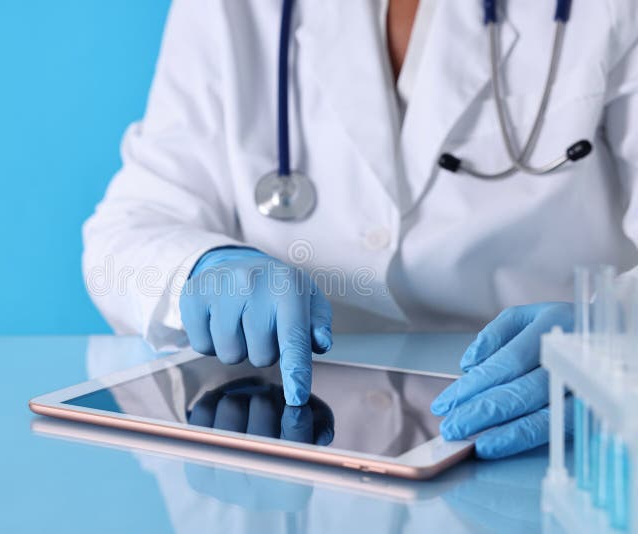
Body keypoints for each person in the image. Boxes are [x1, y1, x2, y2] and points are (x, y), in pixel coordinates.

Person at [82, 0, 638, 459]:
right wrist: (199, 268)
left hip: (553, 429)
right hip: (296, 445)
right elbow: (129, 227)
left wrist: (614, 336)